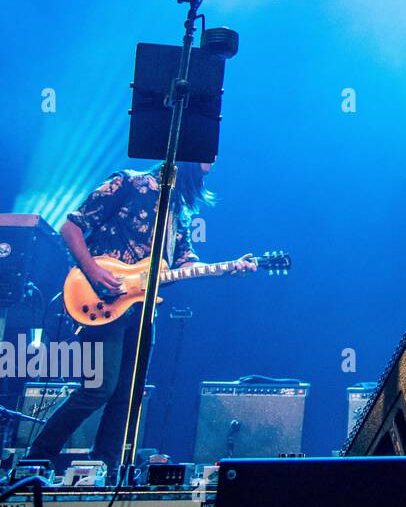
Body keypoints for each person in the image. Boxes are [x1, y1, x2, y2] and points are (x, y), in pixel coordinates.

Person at [23, 161, 255, 472]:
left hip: (142, 309)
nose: (211, 164)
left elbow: (183, 266)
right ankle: (36, 458)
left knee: (128, 395)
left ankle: (104, 469)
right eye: (205, 157)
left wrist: (227, 269)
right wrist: (92, 270)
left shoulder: (181, 208)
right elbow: (71, 226)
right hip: (101, 298)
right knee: (98, 388)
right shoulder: (129, 182)